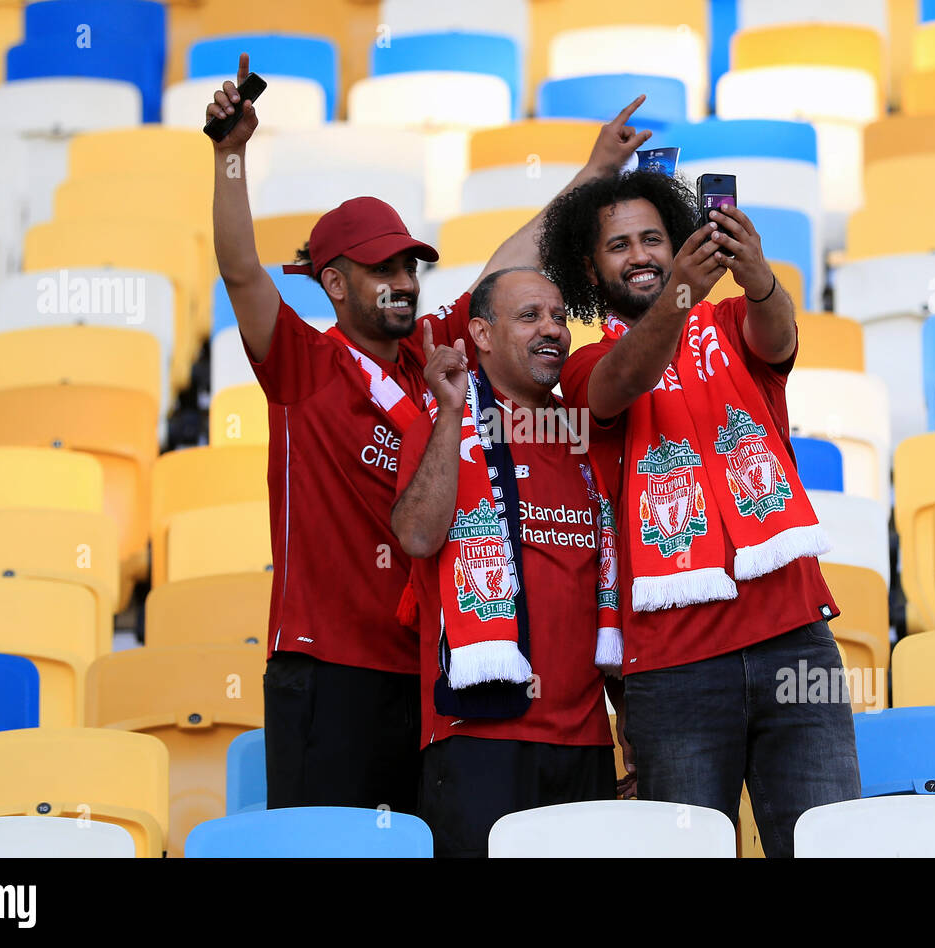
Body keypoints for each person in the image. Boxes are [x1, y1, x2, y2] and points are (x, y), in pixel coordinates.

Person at [207, 52, 651, 812]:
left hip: (425, 669)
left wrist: (595, 173)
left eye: (411, 267)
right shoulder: (301, 366)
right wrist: (231, 157)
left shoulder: (433, 358)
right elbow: (242, 271)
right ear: (335, 283)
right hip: (330, 666)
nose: (405, 283)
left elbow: (514, 265)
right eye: (383, 269)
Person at [540, 169, 861, 856]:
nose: (642, 255)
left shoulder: (726, 320)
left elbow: (777, 339)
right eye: (619, 246)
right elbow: (620, 385)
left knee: (826, 846)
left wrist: (759, 278)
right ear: (591, 277)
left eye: (654, 238)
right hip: (673, 667)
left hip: (793, 639)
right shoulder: (581, 367)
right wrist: (685, 292)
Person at [391, 266, 626, 857]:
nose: (552, 329)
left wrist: (632, 726)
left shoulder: (586, 435)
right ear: (482, 335)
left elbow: (612, 590)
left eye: (559, 317)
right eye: (529, 316)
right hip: (479, 737)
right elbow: (417, 536)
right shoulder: (443, 425)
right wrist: (448, 415)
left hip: (585, 743)